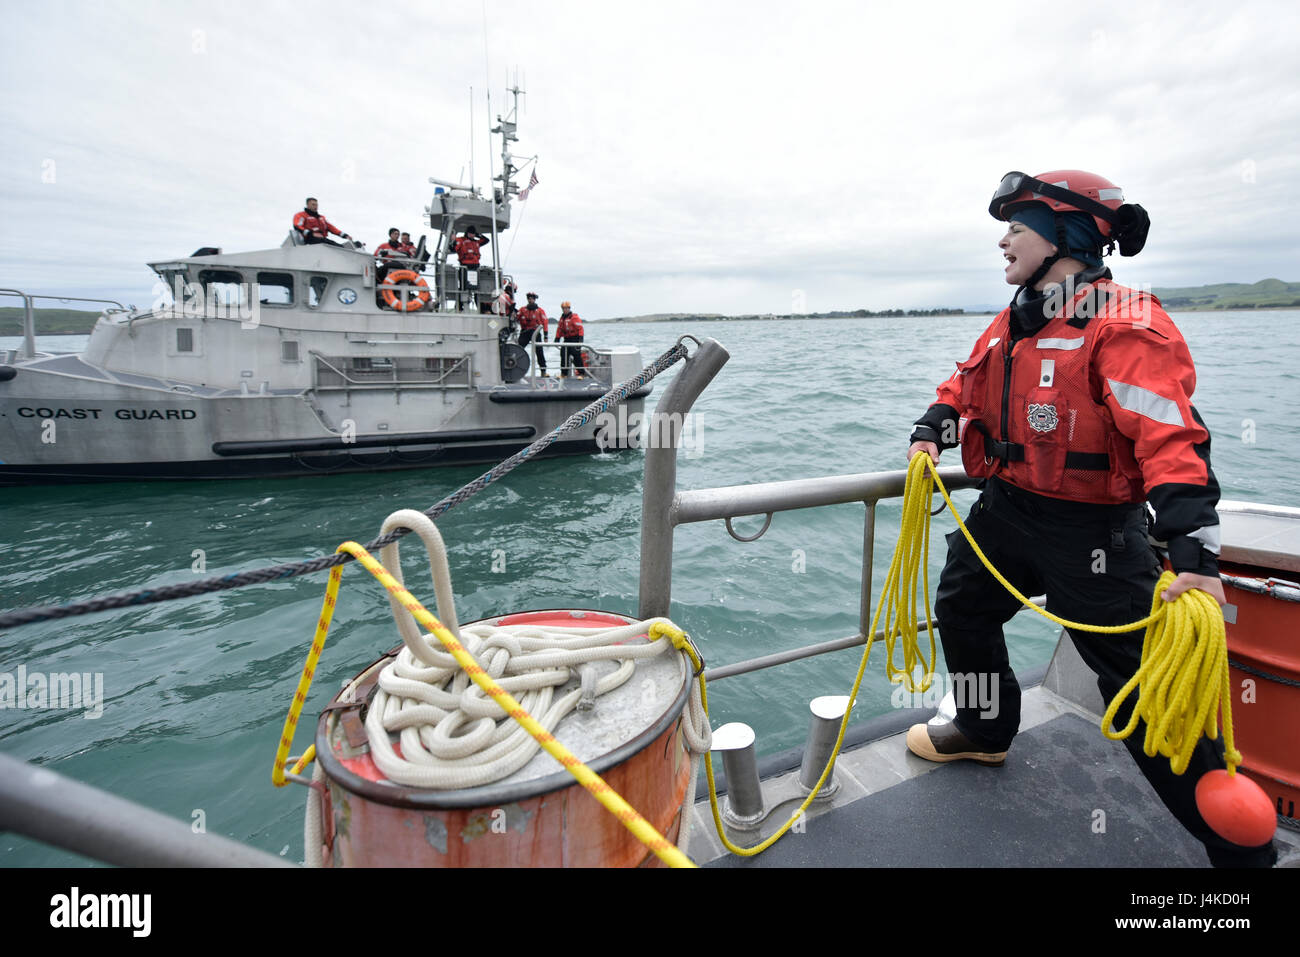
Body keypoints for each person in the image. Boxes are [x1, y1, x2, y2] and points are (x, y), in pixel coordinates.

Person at [903, 169, 1275, 869]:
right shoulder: (1017, 315)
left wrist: (1195, 558)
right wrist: (936, 422)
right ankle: (984, 727)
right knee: (962, 605)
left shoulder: (1124, 320)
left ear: (1066, 236)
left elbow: (1170, 437)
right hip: (1008, 510)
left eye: (1017, 225)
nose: (1003, 239)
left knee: (1138, 688)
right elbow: (968, 380)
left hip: (1095, 534)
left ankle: (1238, 851)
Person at [516, 292, 549, 376]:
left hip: (536, 332)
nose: (530, 300)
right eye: (529, 299)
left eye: (532, 299)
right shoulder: (522, 310)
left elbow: (545, 322)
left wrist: (545, 335)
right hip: (525, 332)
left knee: (539, 351)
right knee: (518, 349)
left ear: (534, 300)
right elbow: (516, 317)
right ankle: (516, 367)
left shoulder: (540, 311)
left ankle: (543, 370)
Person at [555, 300, 587, 378]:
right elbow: (559, 329)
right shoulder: (562, 319)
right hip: (566, 340)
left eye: (566, 308)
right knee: (563, 355)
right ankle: (564, 373)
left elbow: (580, 328)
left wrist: (580, 340)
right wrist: (557, 338)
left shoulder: (574, 317)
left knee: (576, 356)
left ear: (569, 308)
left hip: (575, 339)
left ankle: (581, 373)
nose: (565, 310)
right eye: (563, 308)